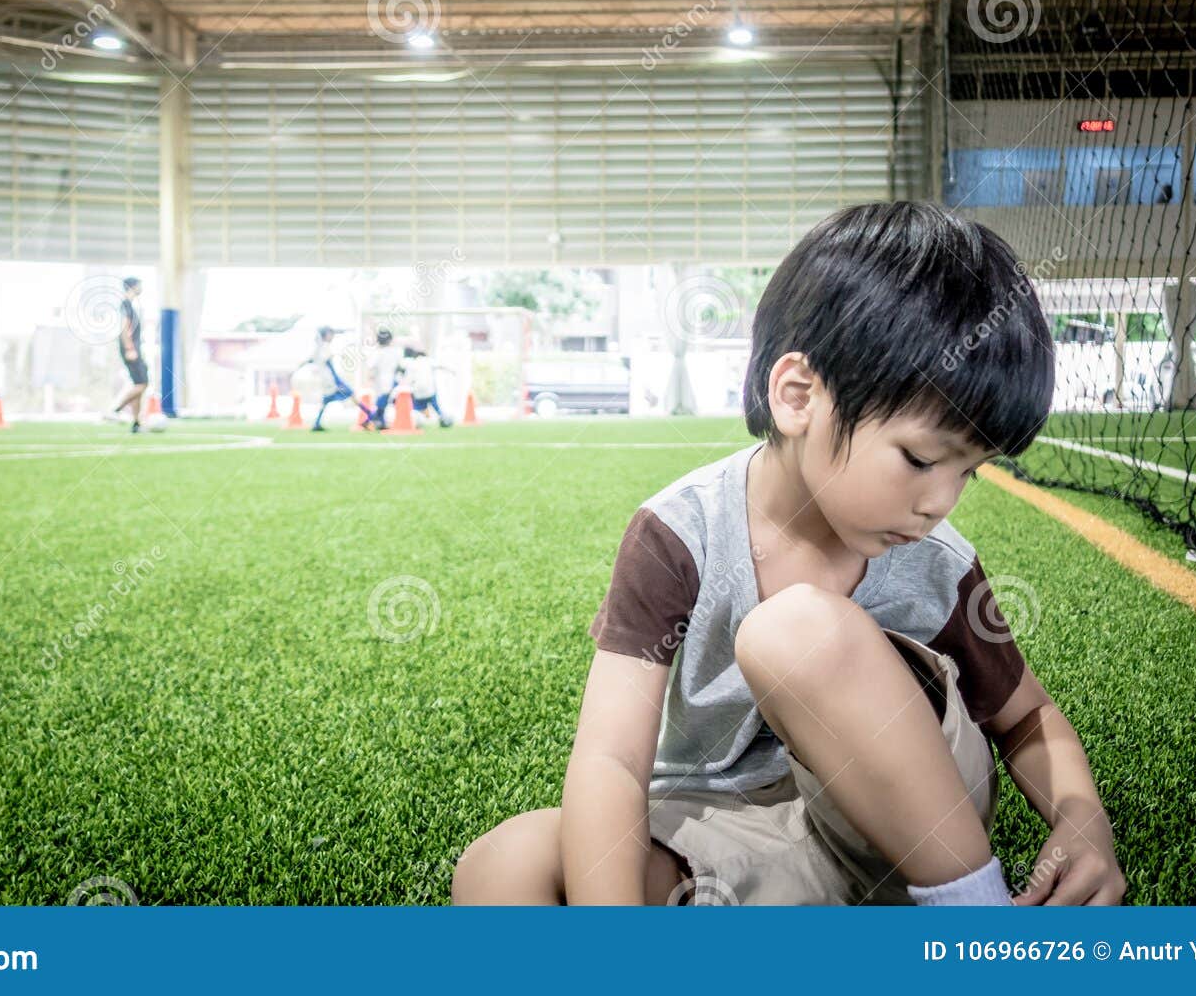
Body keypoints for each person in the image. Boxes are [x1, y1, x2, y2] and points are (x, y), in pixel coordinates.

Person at [452, 201, 1125, 907]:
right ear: (799, 395)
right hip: (723, 837)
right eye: (922, 458)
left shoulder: (940, 561)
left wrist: (1083, 815)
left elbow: (1026, 716)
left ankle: (973, 918)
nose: (941, 501)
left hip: (903, 836)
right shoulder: (678, 534)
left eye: (969, 470)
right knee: (503, 867)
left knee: (794, 629)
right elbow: (613, 759)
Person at [299, 326, 376, 432]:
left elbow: (312, 360)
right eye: (331, 334)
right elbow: (327, 360)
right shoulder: (324, 347)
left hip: (326, 380)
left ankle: (316, 423)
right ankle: (370, 414)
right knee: (351, 393)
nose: (332, 336)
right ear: (325, 335)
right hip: (332, 380)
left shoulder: (318, 348)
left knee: (325, 401)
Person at [107, 276, 149, 433]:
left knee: (139, 384)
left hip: (134, 350)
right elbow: (124, 329)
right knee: (142, 384)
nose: (141, 288)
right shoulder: (125, 305)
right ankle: (115, 409)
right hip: (130, 350)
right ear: (132, 287)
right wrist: (130, 348)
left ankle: (137, 423)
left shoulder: (130, 305)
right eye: (139, 286)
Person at [394, 345, 452, 428]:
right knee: (436, 407)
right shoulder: (428, 360)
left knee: (417, 408)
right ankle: (443, 419)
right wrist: (452, 371)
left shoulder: (413, 363)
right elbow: (441, 365)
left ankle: (417, 422)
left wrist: (401, 386)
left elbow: (408, 379)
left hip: (418, 391)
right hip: (430, 390)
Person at [368, 327, 402, 429]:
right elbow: (399, 367)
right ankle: (373, 420)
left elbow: (371, 367)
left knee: (382, 401)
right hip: (390, 380)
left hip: (381, 380)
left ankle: (377, 421)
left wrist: (370, 378)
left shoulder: (377, 352)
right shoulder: (395, 351)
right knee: (383, 402)